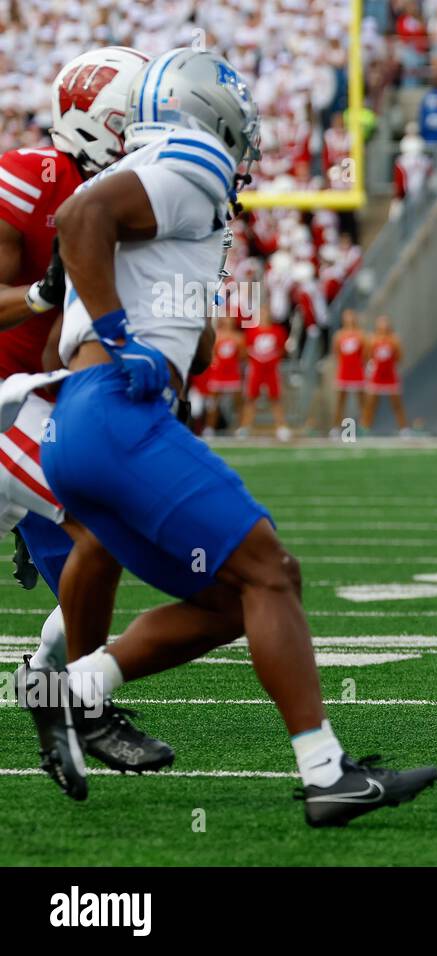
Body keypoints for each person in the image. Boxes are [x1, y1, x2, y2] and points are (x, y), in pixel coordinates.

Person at [22, 47, 437, 823]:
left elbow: (73, 345)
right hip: (117, 414)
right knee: (271, 572)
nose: (244, 137)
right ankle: (326, 775)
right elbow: (80, 218)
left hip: (75, 425)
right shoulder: (191, 154)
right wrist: (124, 337)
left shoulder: (150, 192)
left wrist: (155, 324)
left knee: (228, 599)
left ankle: (70, 688)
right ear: (203, 108)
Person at [0, 47, 169, 771]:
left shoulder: (126, 194)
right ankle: (76, 700)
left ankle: (53, 684)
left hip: (47, 407)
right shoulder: (29, 180)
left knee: (104, 542)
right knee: (103, 532)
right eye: (136, 119)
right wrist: (41, 294)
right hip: (8, 409)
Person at [238, 311, 291, 442]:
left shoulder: (277, 331)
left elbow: (282, 349)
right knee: (251, 398)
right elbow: (246, 349)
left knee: (275, 398)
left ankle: (281, 427)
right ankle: (245, 427)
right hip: (256, 369)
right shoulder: (251, 331)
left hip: (271, 369)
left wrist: (270, 358)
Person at [362, 315, 409, 435]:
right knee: (371, 404)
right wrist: (370, 368)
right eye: (380, 323)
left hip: (390, 376)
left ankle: (404, 429)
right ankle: (365, 428)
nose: (383, 326)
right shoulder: (372, 340)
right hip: (376, 376)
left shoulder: (394, 340)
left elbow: (399, 357)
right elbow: (367, 356)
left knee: (397, 404)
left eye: (385, 323)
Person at [203, 313, 244, 435]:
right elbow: (211, 354)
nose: (227, 321)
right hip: (218, 374)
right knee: (213, 403)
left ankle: (239, 427)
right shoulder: (216, 336)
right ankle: (209, 428)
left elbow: (243, 356)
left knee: (238, 402)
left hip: (232, 374)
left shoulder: (238, 337)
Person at [331, 308, 367, 434]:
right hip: (344, 371)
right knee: (341, 400)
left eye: (351, 316)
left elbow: (365, 354)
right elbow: (336, 353)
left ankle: (364, 427)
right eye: (346, 316)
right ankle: (336, 427)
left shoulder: (360, 334)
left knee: (362, 400)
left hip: (357, 370)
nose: (349, 319)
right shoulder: (339, 335)